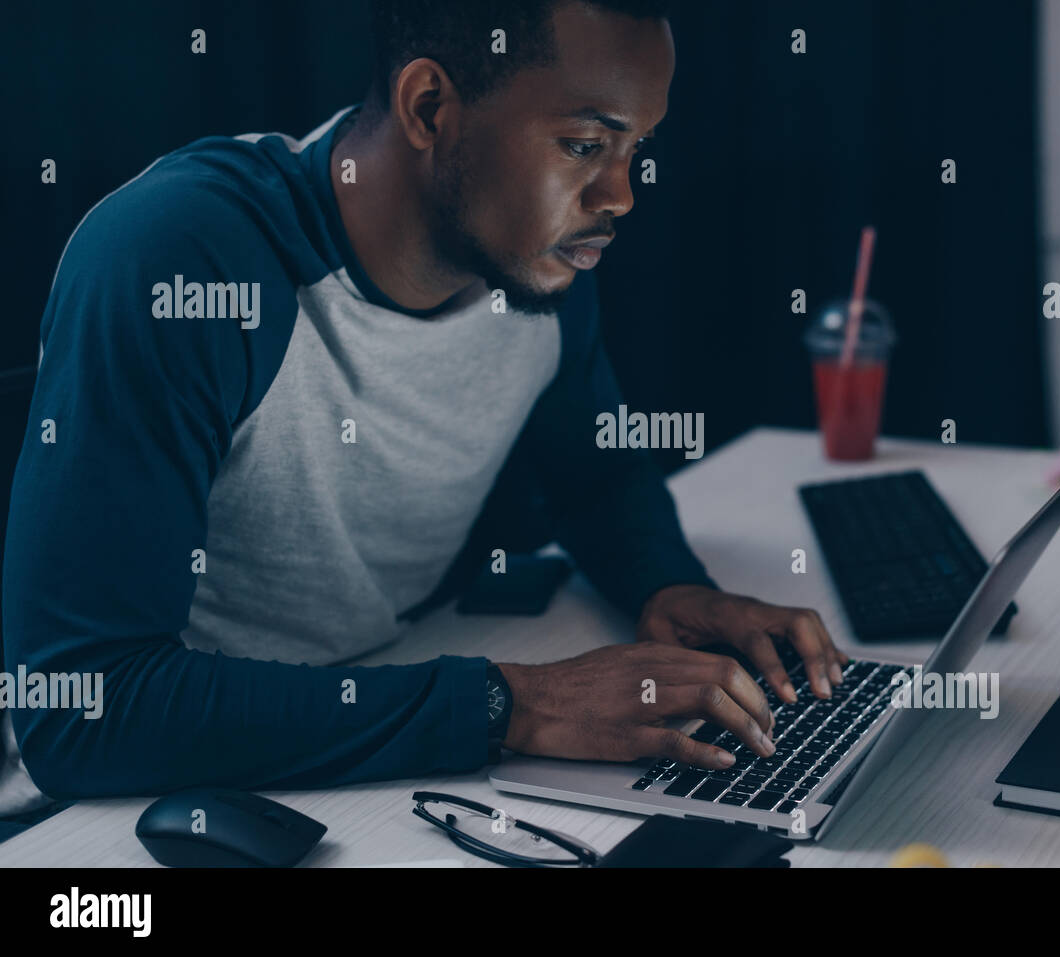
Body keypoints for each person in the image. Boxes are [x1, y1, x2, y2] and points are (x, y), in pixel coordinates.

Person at [0, 0, 846, 814]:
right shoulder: (183, 261)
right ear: (431, 105)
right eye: (586, 144)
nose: (620, 195)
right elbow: (84, 707)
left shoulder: (535, 260)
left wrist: (669, 583)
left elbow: (596, 481)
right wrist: (508, 704)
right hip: (116, 807)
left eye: (637, 148)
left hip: (369, 744)